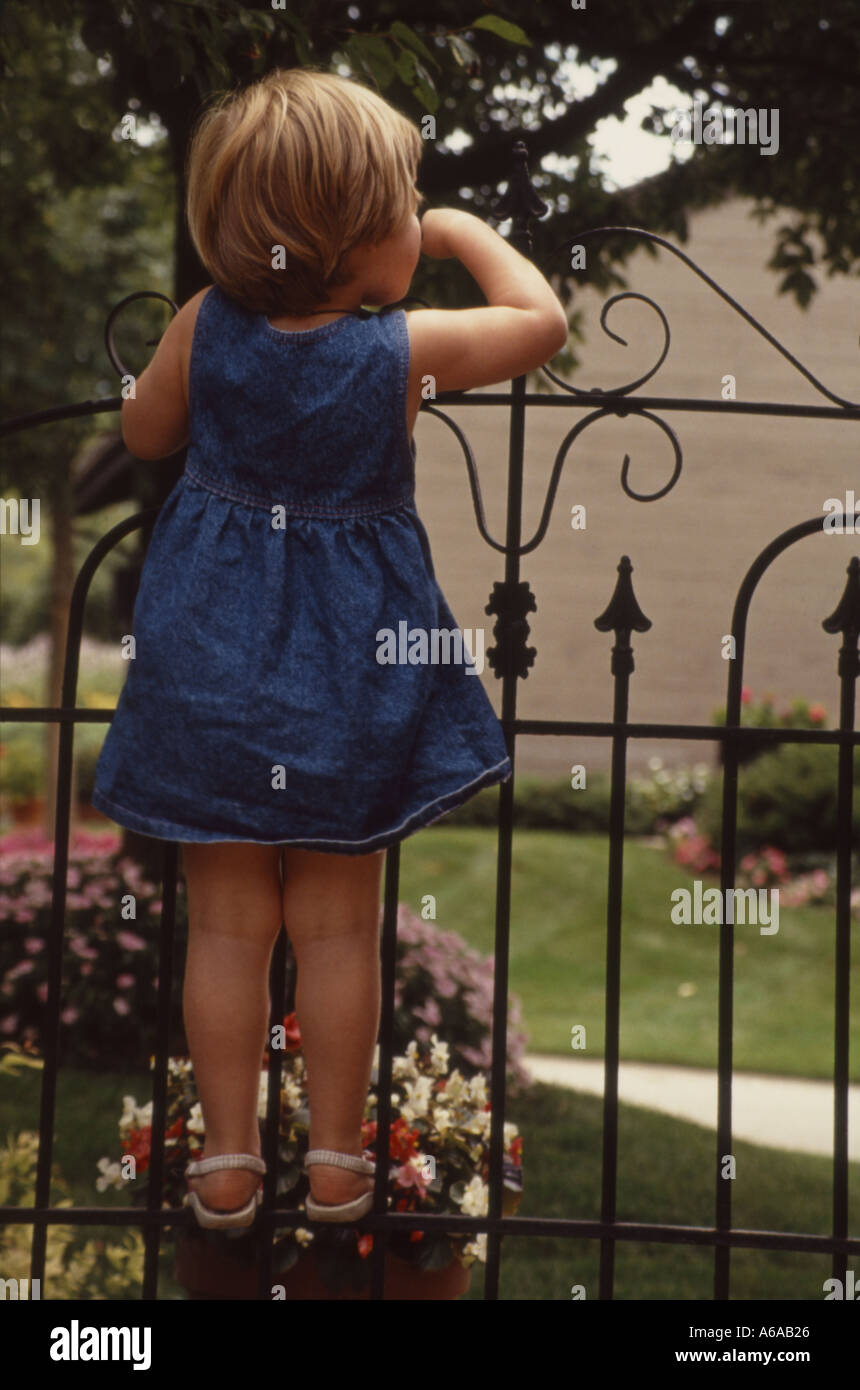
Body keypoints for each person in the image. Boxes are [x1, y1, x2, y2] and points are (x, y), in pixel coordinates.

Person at [90, 66, 568, 1228]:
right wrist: (462, 231)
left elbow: (144, 429)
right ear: (366, 238)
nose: (419, 217)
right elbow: (544, 326)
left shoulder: (203, 326)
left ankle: (226, 1160)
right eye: (406, 203)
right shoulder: (401, 345)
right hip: (351, 672)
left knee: (227, 924)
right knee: (340, 926)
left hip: (211, 666)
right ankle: (344, 1161)